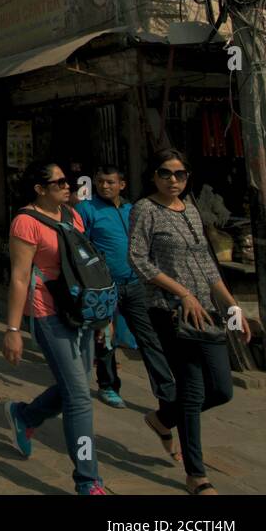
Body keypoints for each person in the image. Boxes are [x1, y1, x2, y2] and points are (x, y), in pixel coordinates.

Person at [129, 149, 248, 495]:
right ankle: (197, 475)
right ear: (154, 176)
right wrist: (182, 293)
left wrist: (233, 309)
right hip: (169, 310)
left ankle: (165, 418)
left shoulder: (192, 211)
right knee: (193, 391)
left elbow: (210, 268)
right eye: (165, 173)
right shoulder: (145, 210)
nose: (173, 180)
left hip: (206, 313)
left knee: (222, 390)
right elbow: (138, 260)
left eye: (180, 174)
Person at [2, 160, 104, 496]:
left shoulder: (72, 216)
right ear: (40, 189)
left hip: (80, 311)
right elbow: (19, 277)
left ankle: (25, 415)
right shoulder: (25, 222)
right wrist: (13, 329)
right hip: (47, 313)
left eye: (68, 181)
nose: (67, 186)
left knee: (74, 385)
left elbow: (82, 264)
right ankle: (88, 480)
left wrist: (100, 315)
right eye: (59, 182)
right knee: (79, 397)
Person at [79, 165, 177, 416]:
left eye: (110, 182)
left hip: (135, 284)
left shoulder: (132, 209)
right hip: (105, 286)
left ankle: (167, 392)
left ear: (121, 185)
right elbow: (82, 250)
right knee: (106, 339)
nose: (104, 186)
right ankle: (108, 385)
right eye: (100, 181)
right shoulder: (87, 209)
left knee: (149, 338)